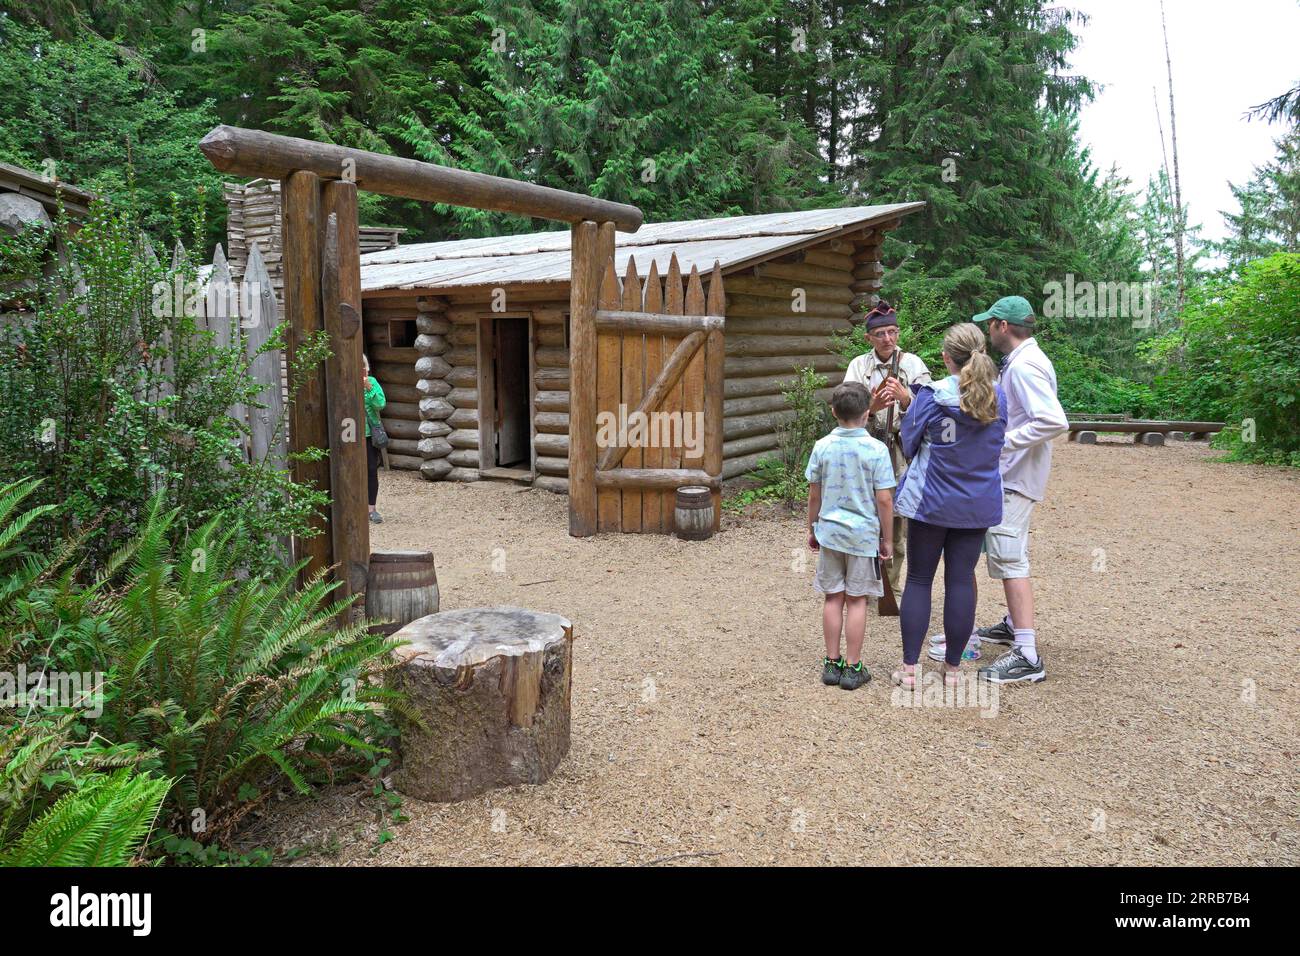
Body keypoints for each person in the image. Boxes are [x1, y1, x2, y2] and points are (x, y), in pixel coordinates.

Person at [891, 324, 1006, 688]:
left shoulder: (931, 394)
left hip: (932, 503)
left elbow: (909, 441)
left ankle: (910, 670)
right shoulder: (998, 397)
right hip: (976, 505)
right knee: (960, 580)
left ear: (946, 357)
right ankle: (953, 672)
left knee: (920, 578)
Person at [963, 295, 1068, 684]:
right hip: (1014, 475)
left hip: (1016, 477)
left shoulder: (1025, 367)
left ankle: (1027, 654)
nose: (988, 330)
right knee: (1011, 552)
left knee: (1010, 559)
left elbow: (1053, 421)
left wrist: (1002, 442)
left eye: (991, 323)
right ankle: (1012, 624)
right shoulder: (1023, 362)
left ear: (1003, 326)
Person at [805, 382, 896, 691]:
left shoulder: (822, 446)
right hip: (862, 537)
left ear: (833, 412)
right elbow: (884, 500)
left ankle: (832, 663)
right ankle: (854, 668)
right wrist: (887, 539)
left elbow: (814, 494)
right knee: (856, 600)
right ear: (867, 413)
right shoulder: (876, 450)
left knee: (833, 597)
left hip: (830, 533)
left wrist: (812, 528)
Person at [843, 300, 931, 602]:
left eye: (892, 332)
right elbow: (845, 407)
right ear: (869, 338)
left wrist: (906, 400)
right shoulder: (858, 366)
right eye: (880, 333)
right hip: (866, 449)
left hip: (900, 452)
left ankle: (890, 587)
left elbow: (930, 412)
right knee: (863, 513)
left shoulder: (914, 365)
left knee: (896, 519)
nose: (887, 339)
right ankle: (863, 582)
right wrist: (871, 406)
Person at [362, 353, 386, 524]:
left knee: (371, 470)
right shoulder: (344, 381)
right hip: (349, 435)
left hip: (369, 435)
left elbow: (380, 404)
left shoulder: (373, 383)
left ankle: (371, 509)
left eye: (363, 366)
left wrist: (369, 388)